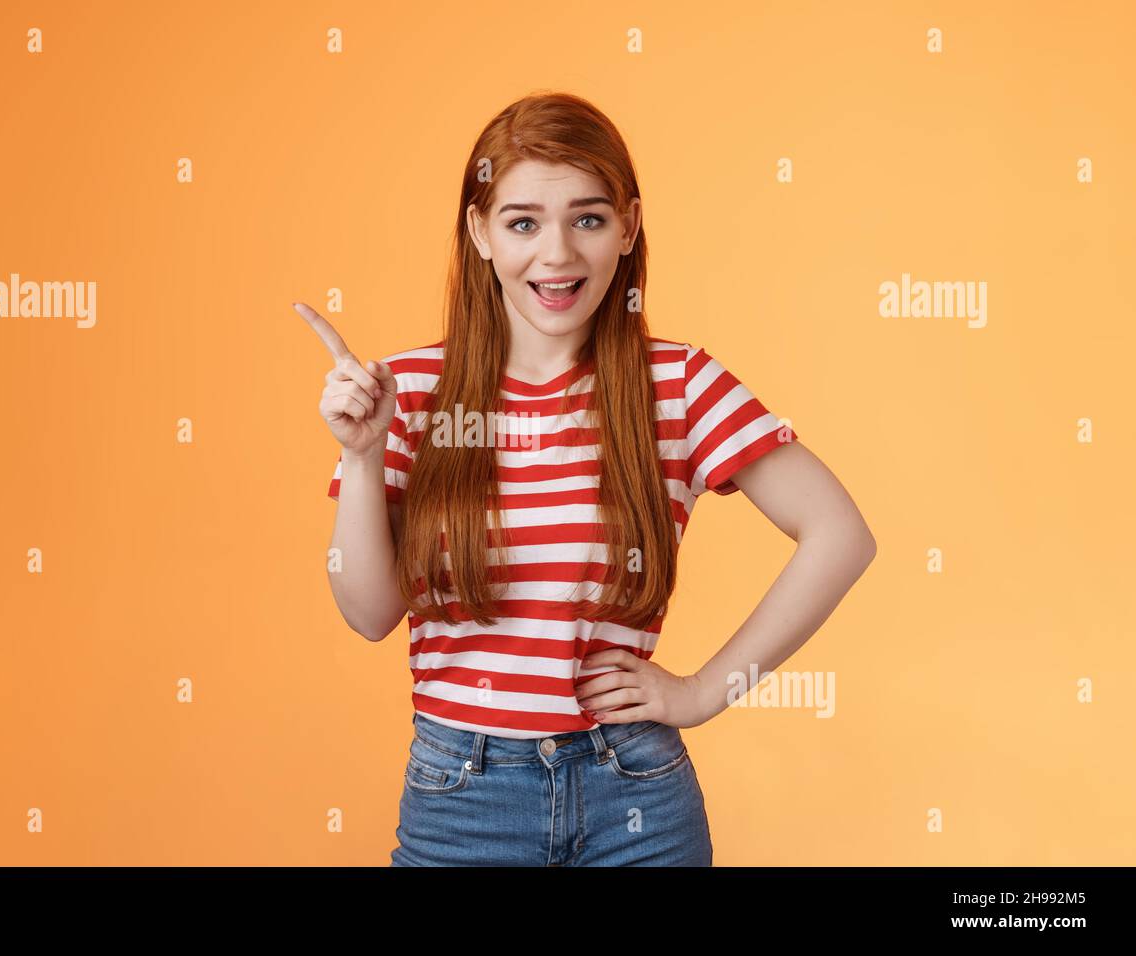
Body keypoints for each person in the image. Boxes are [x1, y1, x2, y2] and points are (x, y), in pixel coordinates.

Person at [295, 91, 876, 866]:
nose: (558, 255)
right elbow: (370, 615)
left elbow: (841, 535)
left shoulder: (678, 384)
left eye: (589, 219)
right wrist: (364, 456)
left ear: (629, 226)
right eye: (524, 222)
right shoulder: (409, 390)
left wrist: (701, 692)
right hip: (462, 798)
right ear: (480, 232)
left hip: (635, 791)